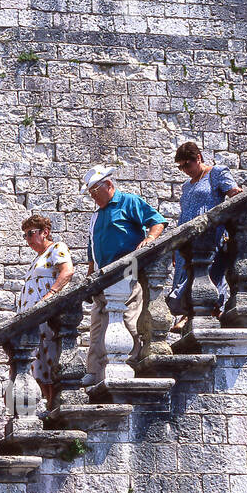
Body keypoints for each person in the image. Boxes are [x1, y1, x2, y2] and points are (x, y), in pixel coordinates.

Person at [82, 165, 166, 385]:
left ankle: (131, 362)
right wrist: (90, 273)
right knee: (97, 325)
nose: (93, 197)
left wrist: (150, 238)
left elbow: (156, 221)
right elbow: (92, 246)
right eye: (90, 193)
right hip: (102, 277)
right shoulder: (96, 215)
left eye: (95, 192)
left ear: (108, 185)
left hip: (126, 272)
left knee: (128, 319)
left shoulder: (128, 201)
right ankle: (95, 370)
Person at [173, 142, 243, 324]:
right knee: (186, 274)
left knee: (208, 272)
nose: (185, 170)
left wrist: (236, 193)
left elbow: (233, 193)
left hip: (210, 234)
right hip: (186, 238)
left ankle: (204, 312)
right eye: (180, 167)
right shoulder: (186, 186)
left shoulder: (216, 172)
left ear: (198, 158)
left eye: (187, 164)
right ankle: (189, 313)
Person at [18, 213, 75, 406]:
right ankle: (49, 404)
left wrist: (50, 295)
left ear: (45, 232)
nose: (27, 239)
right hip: (33, 320)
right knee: (37, 363)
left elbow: (67, 271)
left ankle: (54, 404)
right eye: (25, 235)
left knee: (50, 358)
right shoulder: (37, 258)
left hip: (47, 315)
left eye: (30, 234)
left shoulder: (56, 248)